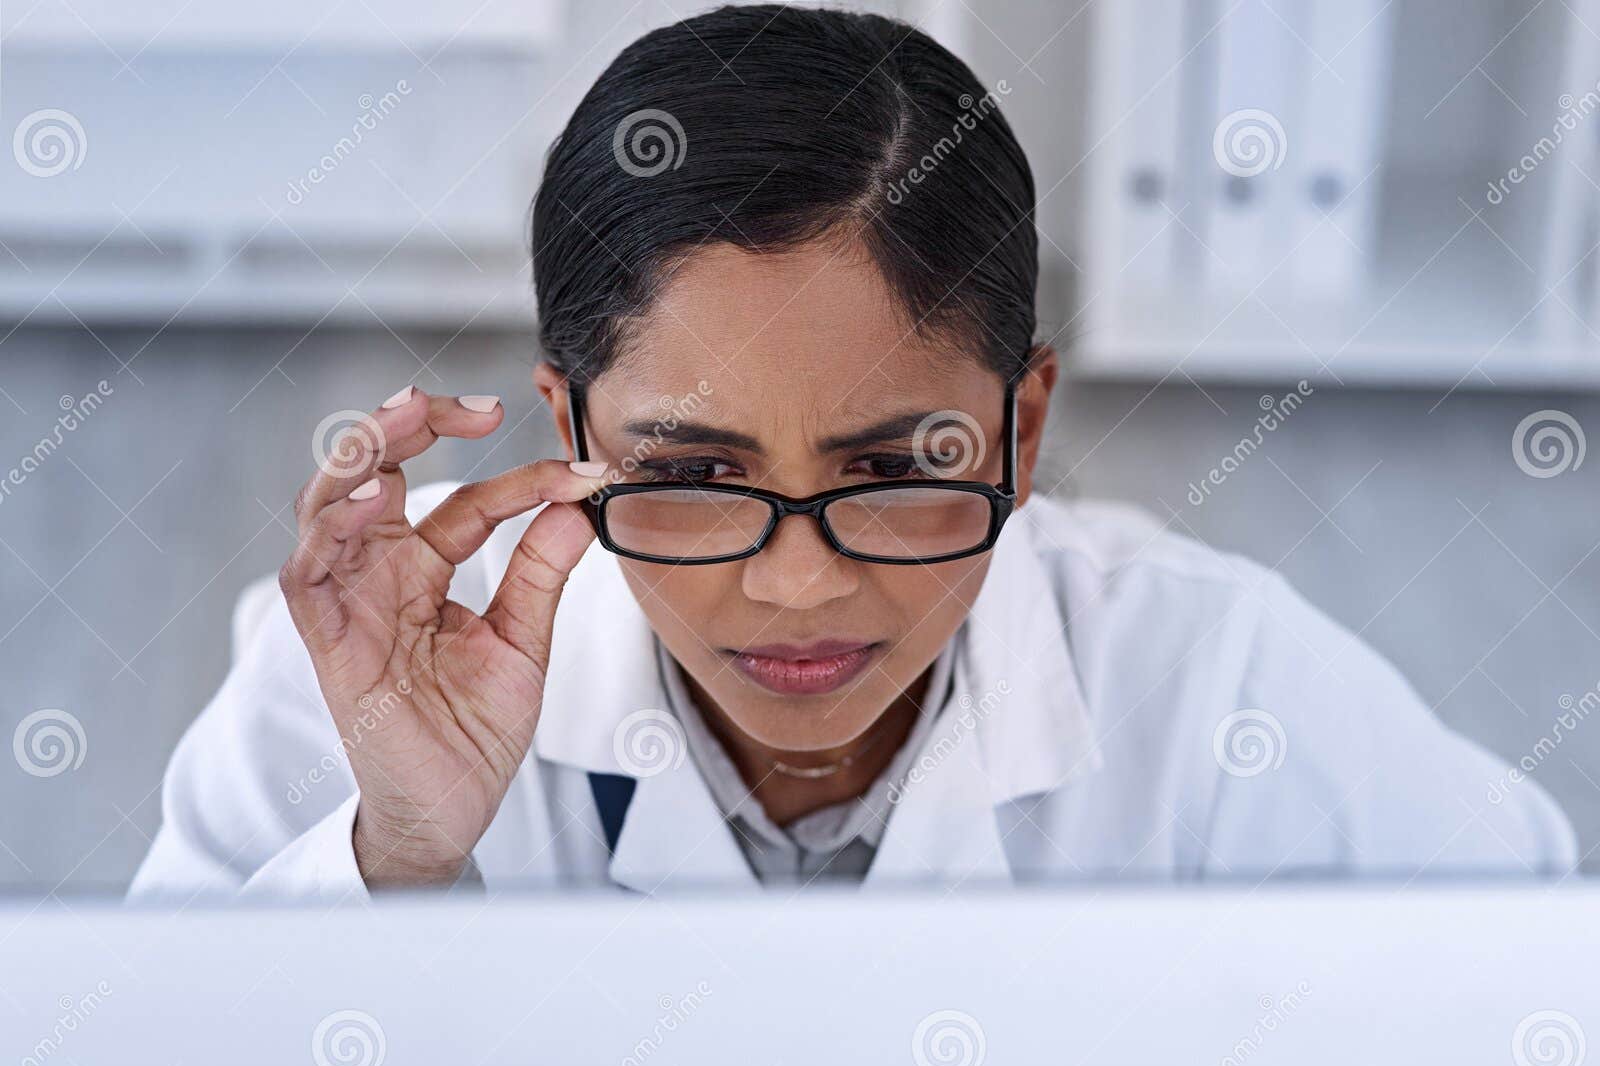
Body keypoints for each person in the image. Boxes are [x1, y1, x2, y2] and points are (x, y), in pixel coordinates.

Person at [130, 4, 1574, 901]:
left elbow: (1531, 1014)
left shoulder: (1217, 684)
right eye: (696, 478)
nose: (802, 589)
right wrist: (392, 854)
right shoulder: (375, 662)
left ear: (1022, 422)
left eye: (892, 470)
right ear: (570, 430)